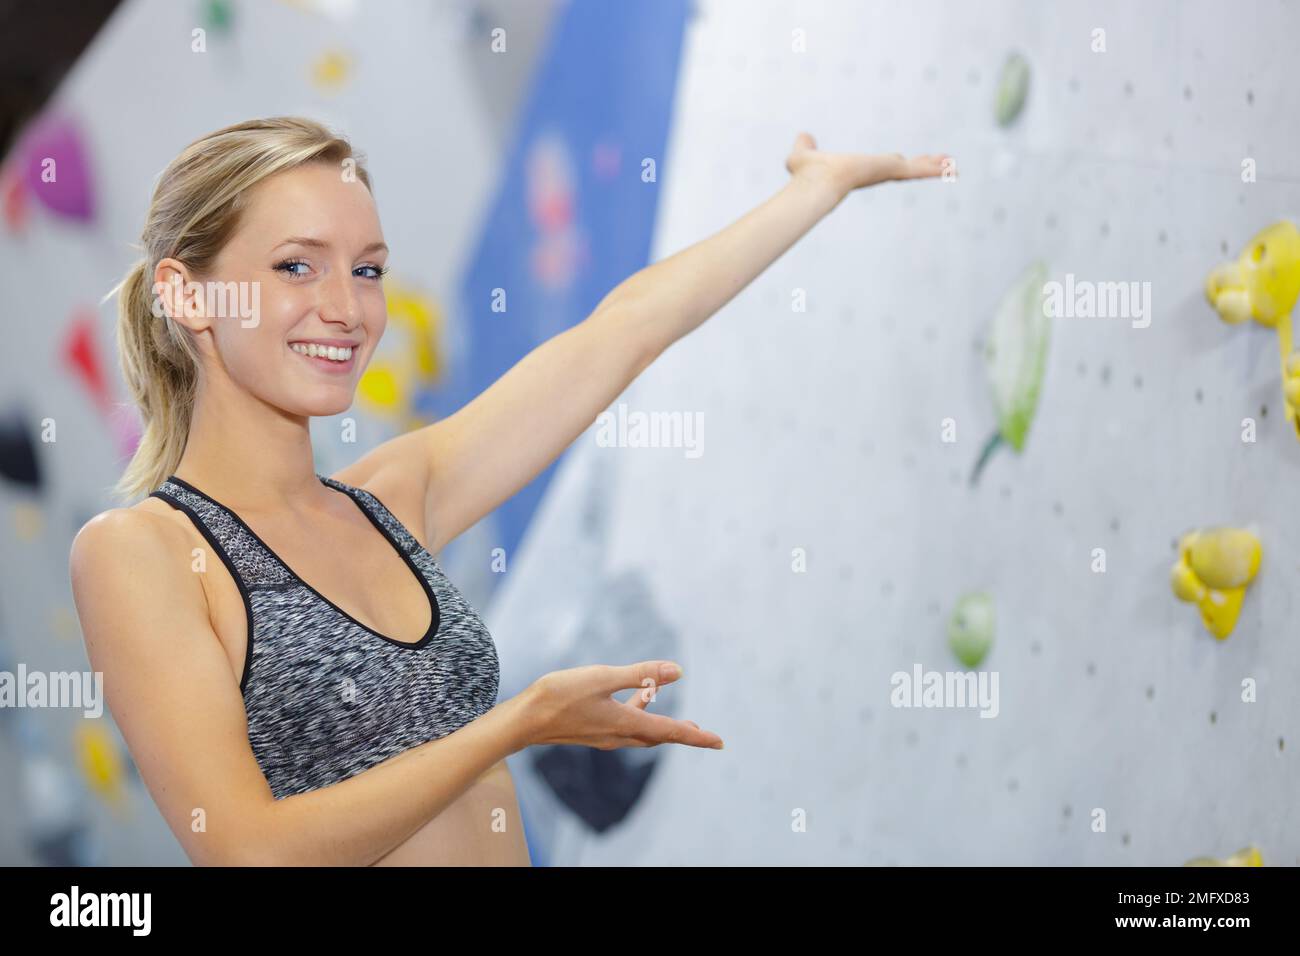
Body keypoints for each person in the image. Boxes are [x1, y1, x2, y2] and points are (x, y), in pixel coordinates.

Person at [68, 116, 947, 866]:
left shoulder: (394, 497)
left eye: (367, 269)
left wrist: (815, 191)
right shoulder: (140, 551)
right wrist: (514, 723)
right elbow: (246, 848)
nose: (346, 307)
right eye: (298, 266)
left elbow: (627, 331)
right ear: (187, 292)